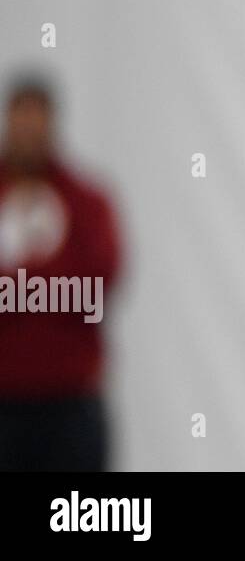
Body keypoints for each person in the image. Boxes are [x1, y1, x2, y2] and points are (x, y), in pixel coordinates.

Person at [0, 75, 123, 471]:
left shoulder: (87, 201)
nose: (29, 133)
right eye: (21, 121)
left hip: (71, 404)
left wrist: (18, 287)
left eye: (37, 122)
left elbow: (96, 285)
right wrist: (50, 286)